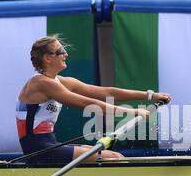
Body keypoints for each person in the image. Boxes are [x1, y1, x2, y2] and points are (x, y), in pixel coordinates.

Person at [16, 34, 170, 165]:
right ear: (47, 58)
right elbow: (86, 103)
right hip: (37, 151)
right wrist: (132, 111)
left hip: (50, 145)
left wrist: (150, 95)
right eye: (61, 51)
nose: (66, 54)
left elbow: (106, 92)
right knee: (114, 158)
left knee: (112, 156)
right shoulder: (41, 83)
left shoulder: (60, 81)